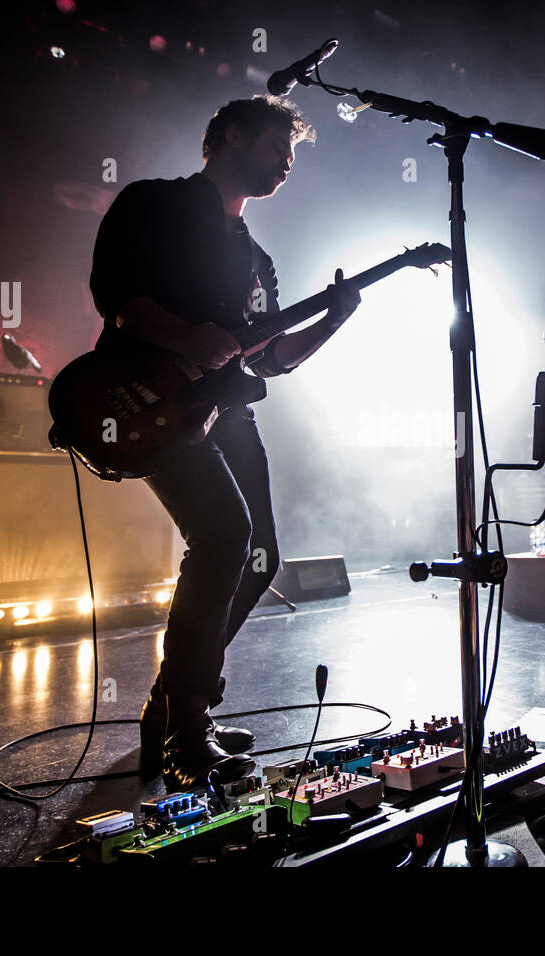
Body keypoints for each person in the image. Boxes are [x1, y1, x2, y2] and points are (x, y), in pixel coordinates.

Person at [88, 95, 361, 789]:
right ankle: (186, 730)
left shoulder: (258, 261)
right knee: (223, 536)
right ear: (230, 137)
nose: (287, 162)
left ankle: (171, 708)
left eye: (293, 154)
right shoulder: (153, 204)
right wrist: (188, 339)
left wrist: (334, 320)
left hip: (228, 413)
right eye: (277, 147)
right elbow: (118, 297)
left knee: (260, 555)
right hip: (147, 399)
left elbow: (269, 359)